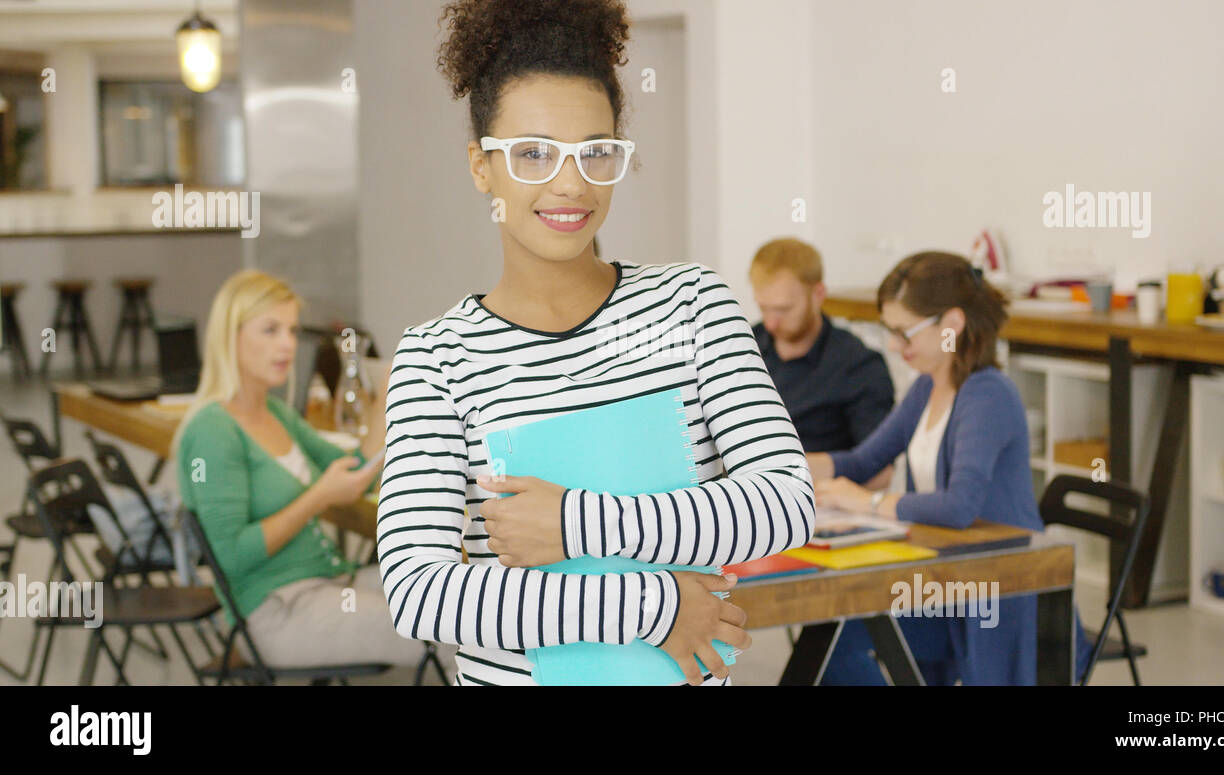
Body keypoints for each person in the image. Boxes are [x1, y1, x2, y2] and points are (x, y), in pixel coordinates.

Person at [376, 0, 814, 686]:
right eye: (532, 154)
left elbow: (785, 502)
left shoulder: (693, 306)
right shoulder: (438, 358)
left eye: (596, 151)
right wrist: (651, 604)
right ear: (479, 166)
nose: (571, 183)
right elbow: (418, 591)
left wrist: (576, 523)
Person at [806, 251, 1092, 685]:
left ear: (952, 324)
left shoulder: (987, 395)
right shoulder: (928, 386)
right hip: (950, 583)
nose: (894, 346)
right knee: (833, 638)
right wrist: (786, 466)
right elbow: (864, 460)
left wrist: (869, 501)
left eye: (904, 333)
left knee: (840, 639)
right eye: (890, 332)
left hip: (997, 592)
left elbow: (959, 506)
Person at [175, 269, 425, 669]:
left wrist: (388, 394)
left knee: (456, 595)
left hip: (330, 583)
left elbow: (356, 471)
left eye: (292, 331)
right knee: (453, 630)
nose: (287, 345)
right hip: (276, 612)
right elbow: (233, 555)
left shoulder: (274, 412)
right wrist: (318, 497)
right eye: (270, 330)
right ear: (231, 335)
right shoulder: (213, 430)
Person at [750, 237, 894, 490]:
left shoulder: (859, 365)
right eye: (764, 309)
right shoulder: (743, 347)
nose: (771, 323)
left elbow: (881, 471)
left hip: (819, 503)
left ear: (818, 295)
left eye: (783, 310)